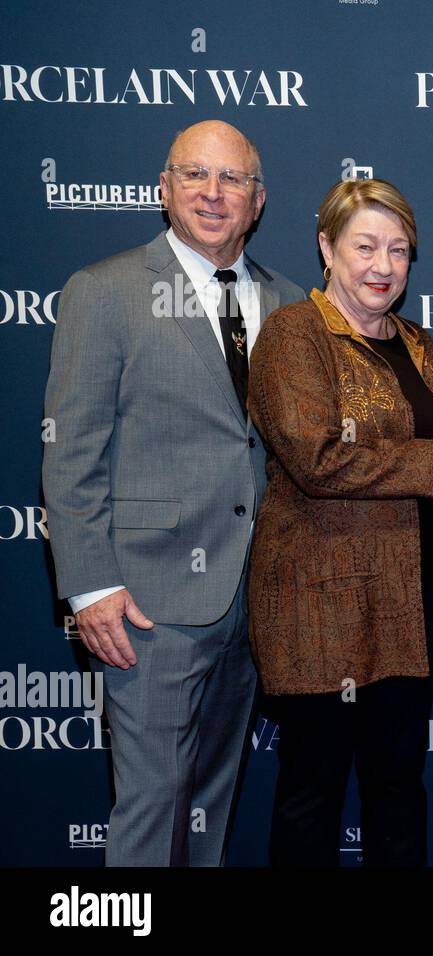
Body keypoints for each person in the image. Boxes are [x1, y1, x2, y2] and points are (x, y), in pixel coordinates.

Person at [246, 179, 433, 866]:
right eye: (364, 247)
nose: (382, 265)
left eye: (399, 250)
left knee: (397, 793)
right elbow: (317, 462)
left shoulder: (416, 342)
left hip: (407, 612)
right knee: (311, 796)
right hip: (319, 614)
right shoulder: (293, 335)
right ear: (326, 248)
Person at [42, 120, 304, 866]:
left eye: (233, 181)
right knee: (151, 813)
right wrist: (91, 588)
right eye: (195, 175)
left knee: (208, 809)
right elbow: (70, 451)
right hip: (148, 604)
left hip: (254, 605)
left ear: (258, 201)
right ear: (164, 189)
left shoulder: (289, 305)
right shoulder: (106, 292)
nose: (213, 194)